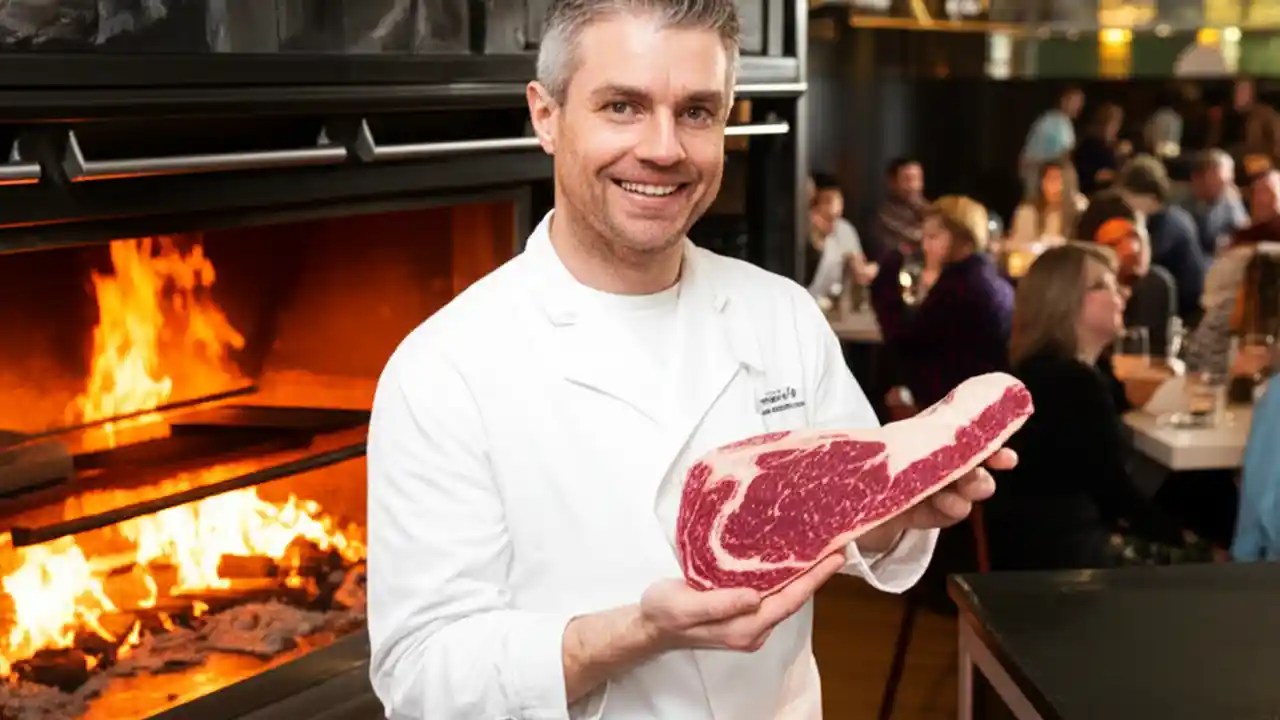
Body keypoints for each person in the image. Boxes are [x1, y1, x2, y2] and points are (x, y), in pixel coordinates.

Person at [364, 3, 1009, 719]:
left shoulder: (782, 314)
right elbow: (421, 674)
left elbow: (853, 522)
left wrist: (901, 506)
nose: (664, 148)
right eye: (622, 106)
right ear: (546, 116)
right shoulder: (444, 368)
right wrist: (632, 634)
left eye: (697, 112)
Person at [986, 245, 1199, 571]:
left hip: (1033, 548)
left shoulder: (1047, 370)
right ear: (1063, 302)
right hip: (1064, 563)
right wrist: (1184, 540)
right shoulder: (1070, 383)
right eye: (1103, 286)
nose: (1121, 296)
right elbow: (1115, 493)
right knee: (1213, 563)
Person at [870, 196, 1014, 413]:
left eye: (934, 236)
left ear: (962, 238)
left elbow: (903, 340)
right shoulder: (987, 276)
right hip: (982, 402)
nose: (925, 245)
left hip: (959, 409)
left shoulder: (961, 287)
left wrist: (886, 282)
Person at [1113, 154, 1207, 325]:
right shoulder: (1153, 220)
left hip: (1184, 313)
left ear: (1152, 197)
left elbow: (1139, 265)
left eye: (1130, 195)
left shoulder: (1171, 223)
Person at [806, 172, 877, 299]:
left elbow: (860, 270)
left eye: (838, 201)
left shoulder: (844, 229)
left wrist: (870, 269)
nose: (834, 210)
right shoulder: (800, 233)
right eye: (827, 201)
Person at [1020, 85, 1085, 197]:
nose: (1078, 106)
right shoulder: (1055, 122)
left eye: (1080, 102)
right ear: (1064, 100)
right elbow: (1063, 156)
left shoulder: (1057, 121)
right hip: (1041, 176)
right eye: (1075, 101)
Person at [1181, 148, 1248, 256]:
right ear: (1198, 178)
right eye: (1221, 180)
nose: (1227, 185)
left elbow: (1242, 234)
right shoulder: (1180, 206)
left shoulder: (1230, 203)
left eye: (1230, 180)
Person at [1007, 160, 1083, 245]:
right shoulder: (1028, 212)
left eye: (1064, 182)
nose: (1059, 187)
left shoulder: (1078, 211)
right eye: (1053, 180)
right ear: (1042, 183)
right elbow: (1018, 246)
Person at [873, 156, 927, 260]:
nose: (914, 186)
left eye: (918, 179)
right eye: (908, 180)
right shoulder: (885, 216)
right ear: (892, 182)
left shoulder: (932, 210)